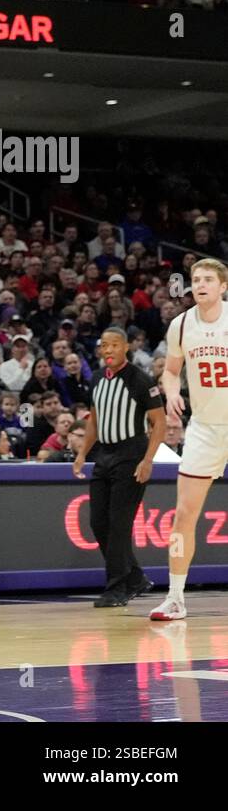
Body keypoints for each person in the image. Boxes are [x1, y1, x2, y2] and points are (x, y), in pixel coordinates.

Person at [151, 259, 228, 621]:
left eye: (208, 279)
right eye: (195, 279)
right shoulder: (180, 325)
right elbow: (170, 372)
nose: (200, 285)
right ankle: (176, 597)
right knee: (183, 514)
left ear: (222, 286)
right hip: (205, 427)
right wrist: (171, 394)